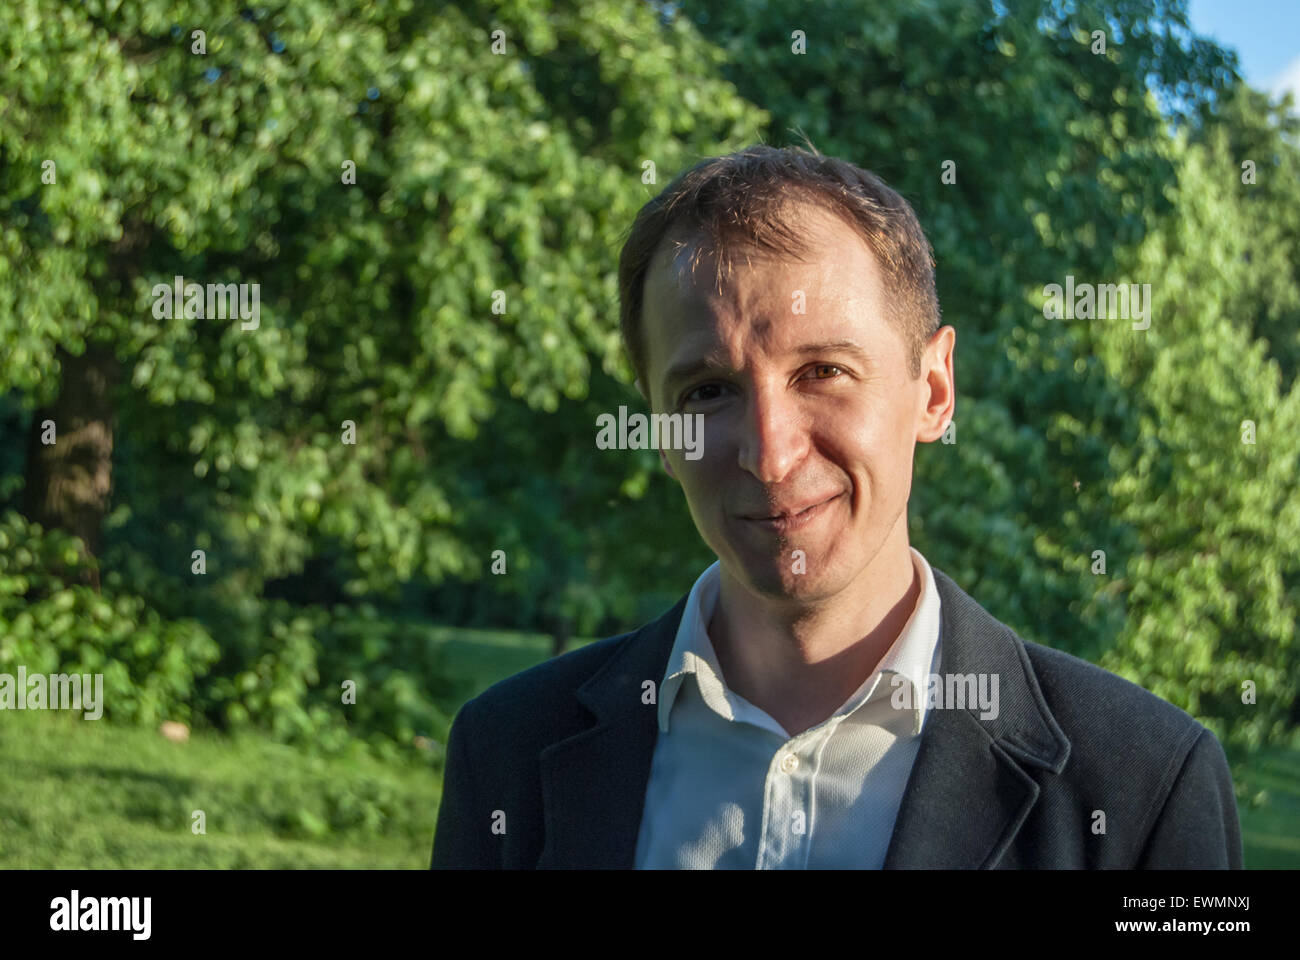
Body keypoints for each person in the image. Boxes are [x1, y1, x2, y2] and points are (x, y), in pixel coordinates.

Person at [430, 144, 1242, 869]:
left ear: (933, 390)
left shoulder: (1143, 787)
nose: (770, 453)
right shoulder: (506, 753)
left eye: (821, 372)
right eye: (708, 391)